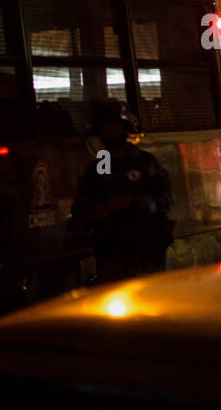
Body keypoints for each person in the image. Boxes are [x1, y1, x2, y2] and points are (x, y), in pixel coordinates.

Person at [70, 100, 175, 282]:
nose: (109, 131)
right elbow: (81, 210)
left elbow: (166, 200)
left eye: (114, 125)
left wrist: (133, 201)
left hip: (144, 252)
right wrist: (95, 213)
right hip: (112, 254)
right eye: (104, 126)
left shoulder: (144, 163)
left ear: (124, 128)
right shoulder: (100, 167)